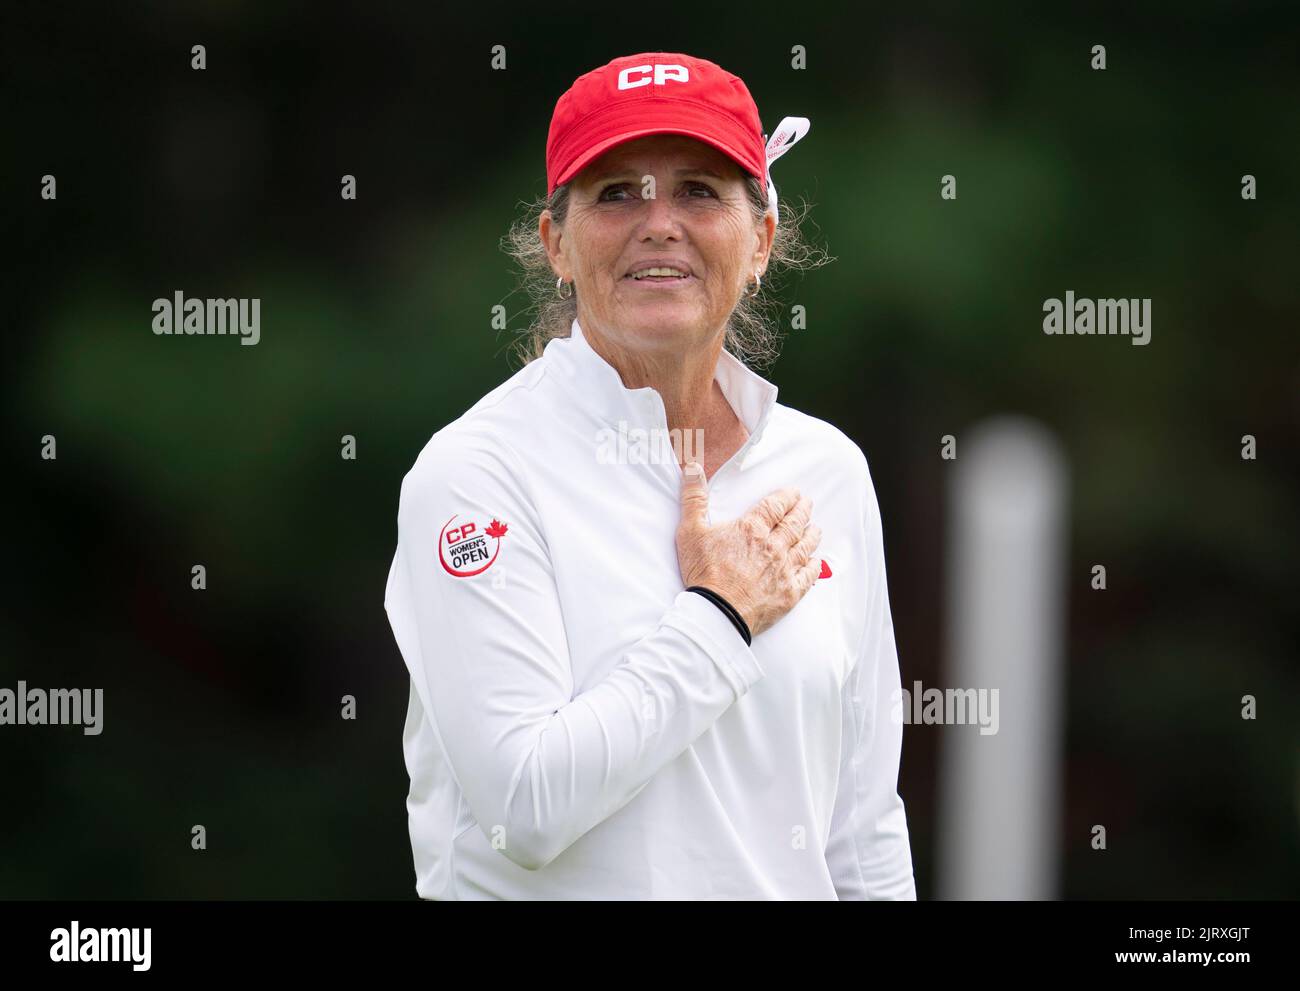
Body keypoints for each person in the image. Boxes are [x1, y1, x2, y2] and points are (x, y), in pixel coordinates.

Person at [384, 51, 917, 900]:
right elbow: (523, 808)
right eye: (617, 192)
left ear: (762, 241)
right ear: (557, 244)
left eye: (699, 190)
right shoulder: (477, 472)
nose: (659, 222)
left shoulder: (830, 471)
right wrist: (719, 615)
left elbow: (859, 831)